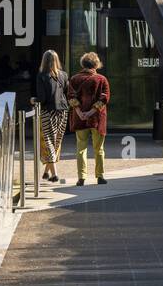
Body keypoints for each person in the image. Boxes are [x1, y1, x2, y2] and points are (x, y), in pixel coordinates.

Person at [68, 51, 110, 186]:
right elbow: (104, 98)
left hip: (80, 119)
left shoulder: (74, 79)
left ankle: (81, 177)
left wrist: (80, 112)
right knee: (99, 148)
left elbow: (71, 97)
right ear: (96, 64)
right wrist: (92, 111)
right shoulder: (101, 79)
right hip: (97, 118)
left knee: (81, 148)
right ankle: (100, 176)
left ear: (83, 64)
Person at [32, 50, 69, 183]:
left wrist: (33, 100)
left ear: (44, 61)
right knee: (56, 142)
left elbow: (41, 98)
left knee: (49, 143)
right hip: (63, 111)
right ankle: (47, 173)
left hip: (48, 111)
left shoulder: (41, 76)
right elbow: (66, 92)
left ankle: (54, 174)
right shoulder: (64, 75)